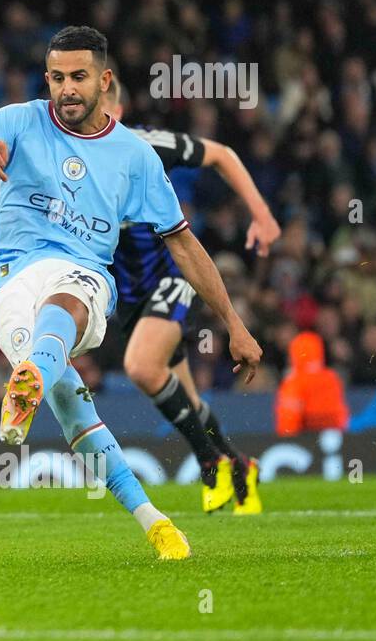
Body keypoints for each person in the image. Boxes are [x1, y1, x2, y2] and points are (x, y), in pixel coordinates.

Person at [0, 25, 262, 560]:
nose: (66, 88)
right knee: (74, 408)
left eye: (78, 76)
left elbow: (185, 246)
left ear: (104, 80)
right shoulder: (17, 120)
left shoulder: (136, 155)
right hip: (9, 281)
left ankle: (28, 376)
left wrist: (235, 325)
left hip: (85, 278)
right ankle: (156, 522)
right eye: (57, 77)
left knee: (69, 299)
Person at [99, 78, 280, 514]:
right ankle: (240, 468)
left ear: (117, 112)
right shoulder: (71, 161)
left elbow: (221, 153)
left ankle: (209, 463)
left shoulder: (146, 145)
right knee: (189, 402)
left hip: (172, 279)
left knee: (142, 367)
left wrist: (260, 211)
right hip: (130, 301)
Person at [276, 331, 349, 436]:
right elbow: (340, 416)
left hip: (303, 439)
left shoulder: (295, 381)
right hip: (331, 436)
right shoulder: (331, 378)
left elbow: (288, 420)